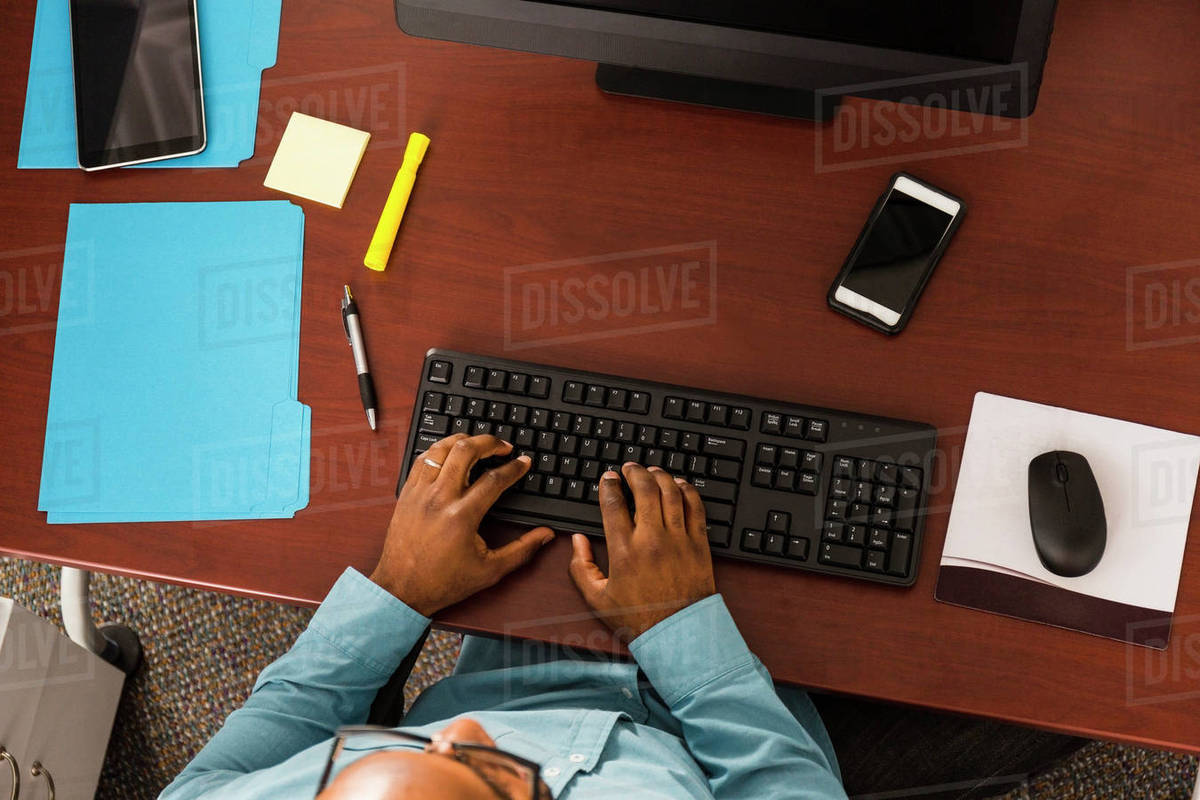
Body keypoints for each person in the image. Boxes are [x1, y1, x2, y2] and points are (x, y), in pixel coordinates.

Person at [160, 432, 848, 799]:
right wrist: (683, 632)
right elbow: (787, 787)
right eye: (495, 780)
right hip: (727, 711)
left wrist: (400, 587)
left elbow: (270, 729)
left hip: (512, 654)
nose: (451, 726)